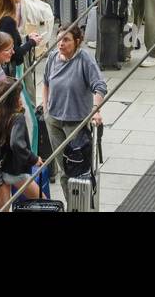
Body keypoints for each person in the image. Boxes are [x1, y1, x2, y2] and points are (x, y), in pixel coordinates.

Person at [37, 26, 107, 184]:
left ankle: (79, 205)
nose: (61, 43)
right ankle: (71, 206)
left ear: (77, 42)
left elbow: (100, 86)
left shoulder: (84, 59)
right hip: (54, 120)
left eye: (66, 39)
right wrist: (46, 109)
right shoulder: (53, 58)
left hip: (76, 123)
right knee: (64, 170)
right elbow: (46, 83)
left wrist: (96, 110)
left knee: (77, 171)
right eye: (59, 39)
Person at [0, 78, 43, 209]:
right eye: (19, 95)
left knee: (4, 208)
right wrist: (33, 159)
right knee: (43, 203)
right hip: (14, 171)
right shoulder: (17, 118)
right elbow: (16, 144)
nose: (21, 98)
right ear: (14, 98)